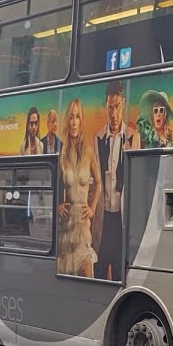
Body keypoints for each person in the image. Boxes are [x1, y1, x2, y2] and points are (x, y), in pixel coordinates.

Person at [93, 80, 133, 281]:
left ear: (122, 104)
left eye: (117, 107)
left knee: (119, 273)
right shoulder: (98, 138)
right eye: (110, 108)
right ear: (106, 107)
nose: (114, 114)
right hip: (103, 218)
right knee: (99, 269)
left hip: (122, 219)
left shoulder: (133, 137)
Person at [56, 97, 101, 277]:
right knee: (66, 278)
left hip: (82, 224)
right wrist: (58, 205)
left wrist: (92, 209)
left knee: (87, 275)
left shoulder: (88, 151)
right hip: (66, 225)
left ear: (81, 121)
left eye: (78, 117)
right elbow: (53, 186)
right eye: (71, 117)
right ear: (68, 121)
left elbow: (98, 182)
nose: (74, 122)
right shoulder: (62, 154)